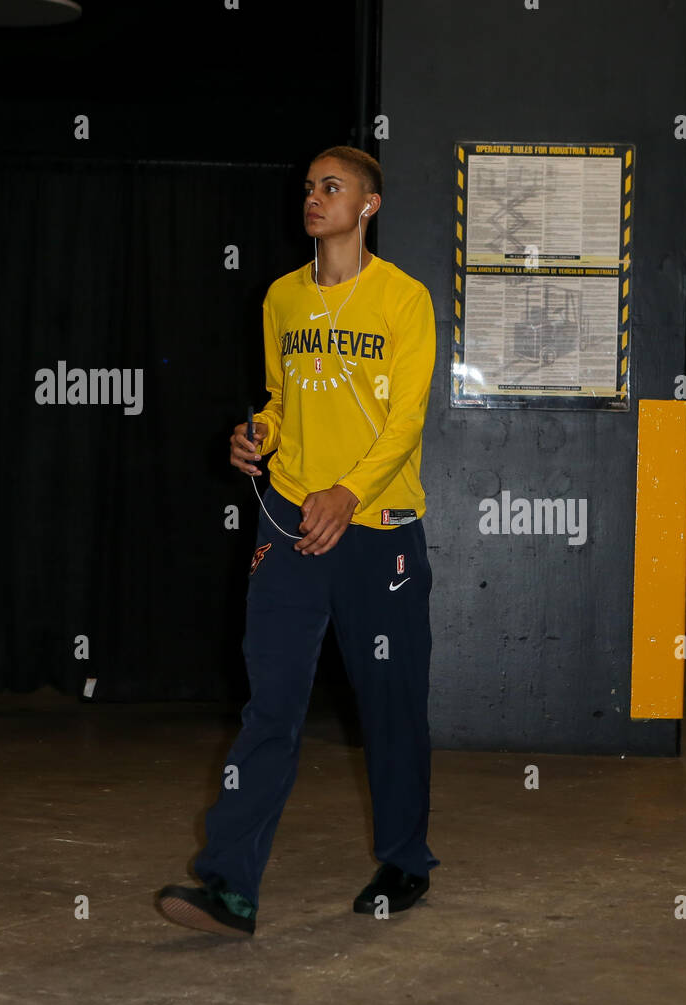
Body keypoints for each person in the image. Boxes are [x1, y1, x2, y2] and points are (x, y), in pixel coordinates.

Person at [157, 146, 440, 937]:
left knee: (389, 706)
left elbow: (407, 419)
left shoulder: (404, 299)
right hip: (287, 522)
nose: (313, 198)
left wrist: (350, 493)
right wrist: (258, 433)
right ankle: (229, 884)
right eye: (309, 187)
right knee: (270, 705)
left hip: (375, 530)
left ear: (369, 205)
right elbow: (282, 397)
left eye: (332, 187)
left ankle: (405, 859)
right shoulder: (280, 297)